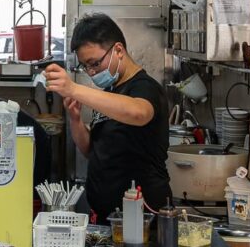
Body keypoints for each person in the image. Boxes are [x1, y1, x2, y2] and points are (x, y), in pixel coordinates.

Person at [43, 13, 171, 221]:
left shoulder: (145, 88)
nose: (91, 72)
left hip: (142, 216)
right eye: (85, 66)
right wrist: (75, 120)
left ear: (118, 50)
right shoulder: (111, 91)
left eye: (94, 63)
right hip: (107, 214)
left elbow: (138, 113)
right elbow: (92, 150)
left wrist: (73, 88)